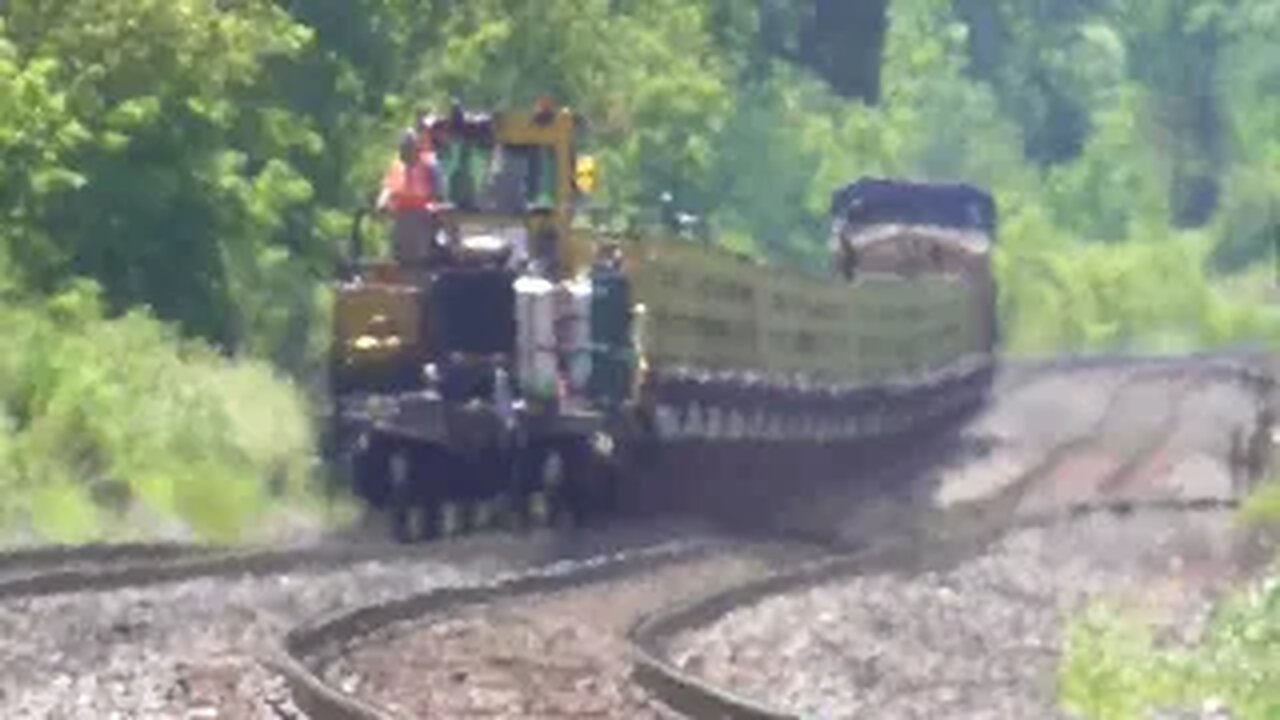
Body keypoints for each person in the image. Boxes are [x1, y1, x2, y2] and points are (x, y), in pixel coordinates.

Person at [378, 128, 443, 265]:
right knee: (400, 253)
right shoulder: (397, 166)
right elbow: (388, 187)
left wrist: (433, 206)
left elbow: (437, 193)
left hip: (422, 216)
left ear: (415, 147)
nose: (404, 150)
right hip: (401, 215)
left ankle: (420, 271)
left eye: (408, 146)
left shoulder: (428, 166)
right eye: (403, 146)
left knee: (419, 253)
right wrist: (382, 201)